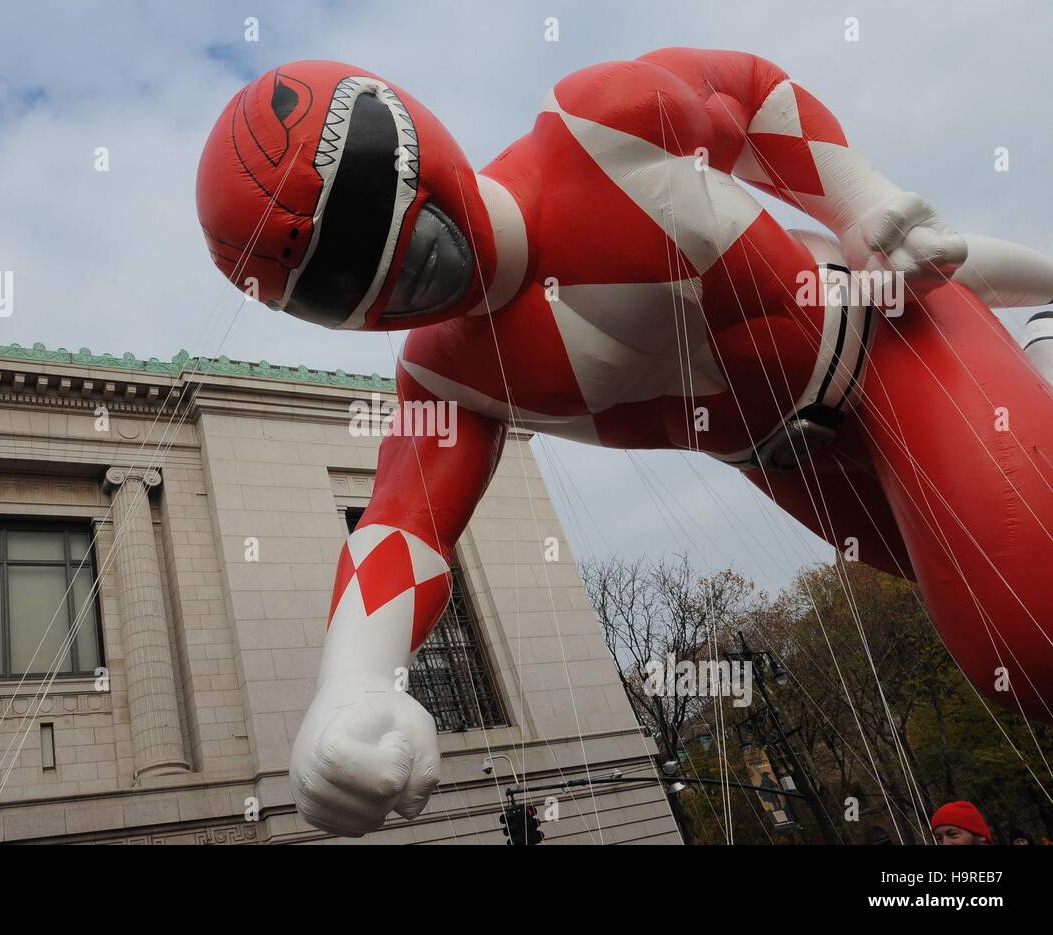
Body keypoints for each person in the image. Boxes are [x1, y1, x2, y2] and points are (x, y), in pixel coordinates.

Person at [198, 49, 1053, 836]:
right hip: (797, 465)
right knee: (987, 619)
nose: (400, 262)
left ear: (402, 125)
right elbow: (404, 523)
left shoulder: (595, 127)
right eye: (336, 276)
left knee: (1024, 632)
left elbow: (746, 94)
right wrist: (350, 680)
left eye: (365, 203)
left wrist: (858, 201)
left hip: (896, 346)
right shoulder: (449, 378)